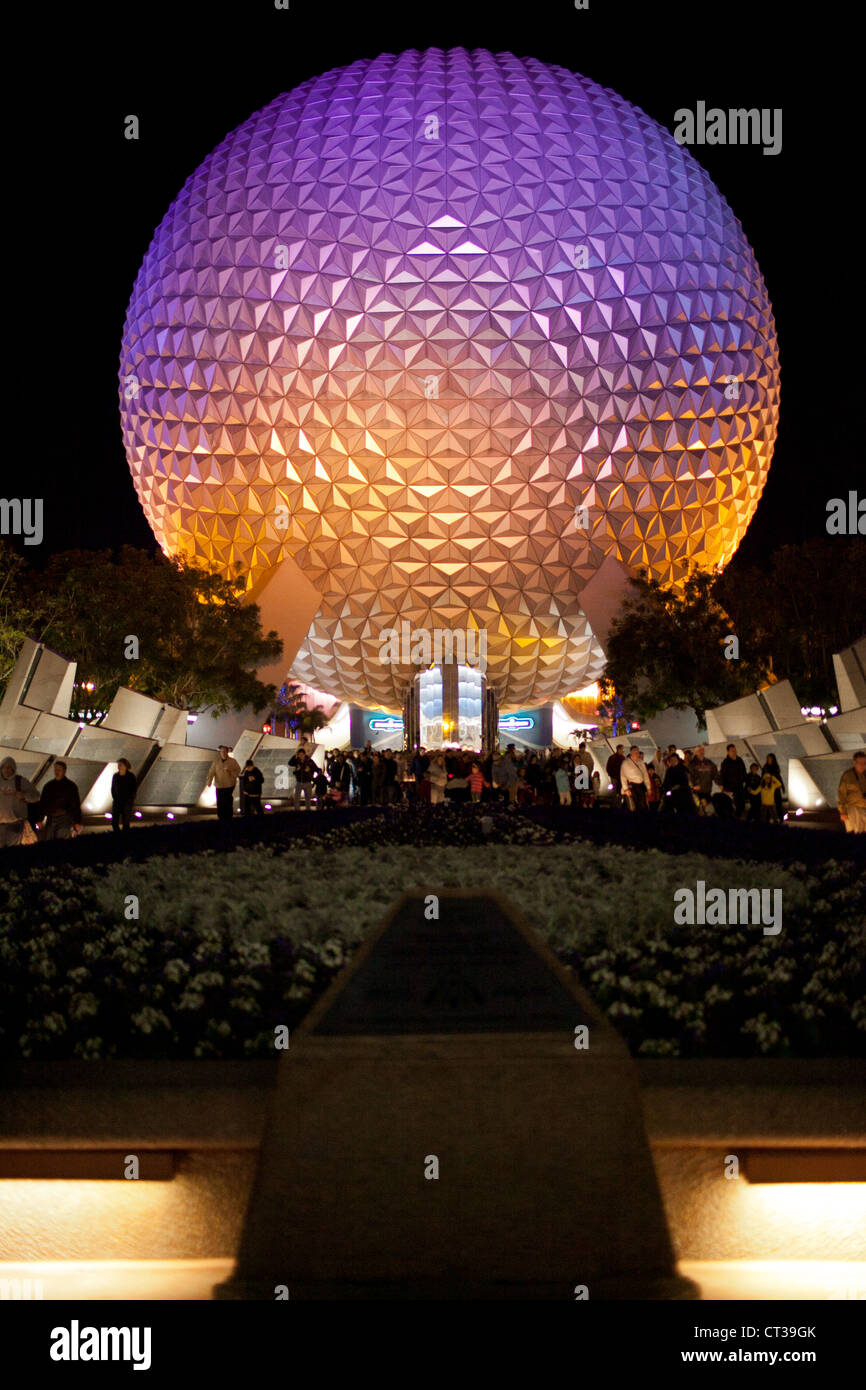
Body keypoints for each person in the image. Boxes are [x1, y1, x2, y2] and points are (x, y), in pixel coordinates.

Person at [0, 756, 41, 847]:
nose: (6, 770)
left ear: (13, 769)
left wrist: (24, 796)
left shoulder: (20, 781)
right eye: (4, 767)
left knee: (11, 852)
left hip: (15, 824)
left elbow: (36, 796)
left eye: (9, 768)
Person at [39, 760, 83, 840]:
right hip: (51, 818)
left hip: (64, 818)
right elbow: (43, 803)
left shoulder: (70, 786)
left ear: (64, 771)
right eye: (55, 769)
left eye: (59, 770)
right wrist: (40, 819)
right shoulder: (48, 786)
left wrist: (77, 821)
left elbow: (75, 804)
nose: (57, 772)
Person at [207, 746, 241, 821]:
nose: (223, 753)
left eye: (225, 751)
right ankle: (221, 816)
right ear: (220, 752)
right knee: (220, 801)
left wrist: (231, 772)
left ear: (227, 752)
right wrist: (209, 781)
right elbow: (211, 772)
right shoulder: (216, 762)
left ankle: (229, 816)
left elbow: (238, 770)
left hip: (229, 785)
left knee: (228, 801)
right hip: (219, 785)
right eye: (222, 751)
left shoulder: (232, 761)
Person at [837, 749, 866, 833]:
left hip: (864, 809)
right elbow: (841, 794)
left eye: (864, 763)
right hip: (852, 809)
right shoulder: (847, 775)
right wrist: (843, 812)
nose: (862, 765)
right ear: (854, 763)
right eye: (860, 763)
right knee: (854, 833)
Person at [718, 744, 747, 817]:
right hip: (730, 787)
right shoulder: (726, 762)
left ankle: (738, 817)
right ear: (728, 752)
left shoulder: (739, 760)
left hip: (739, 787)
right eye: (732, 751)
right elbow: (722, 774)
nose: (734, 752)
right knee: (733, 805)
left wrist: (745, 781)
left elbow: (744, 771)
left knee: (741, 805)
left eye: (735, 750)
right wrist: (721, 785)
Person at [110, 758, 137, 832]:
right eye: (118, 765)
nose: (119, 766)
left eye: (121, 765)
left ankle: (125, 836)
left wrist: (130, 799)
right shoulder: (115, 776)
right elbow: (113, 788)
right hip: (117, 801)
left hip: (127, 802)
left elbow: (133, 789)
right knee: (114, 822)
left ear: (125, 766)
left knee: (126, 822)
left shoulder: (131, 776)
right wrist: (115, 797)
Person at [620, 745, 651, 811]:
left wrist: (648, 787)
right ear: (631, 753)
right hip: (632, 787)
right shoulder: (625, 763)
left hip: (641, 786)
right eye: (635, 752)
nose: (637, 754)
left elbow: (645, 775)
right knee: (634, 806)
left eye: (638, 752)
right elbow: (623, 777)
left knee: (643, 805)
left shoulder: (641, 762)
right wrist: (626, 789)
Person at [761, 754, 785, 821]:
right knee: (768, 804)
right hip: (768, 788)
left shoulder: (776, 767)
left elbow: (779, 777)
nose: (769, 760)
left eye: (770, 759)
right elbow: (763, 777)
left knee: (778, 803)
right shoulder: (765, 767)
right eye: (768, 759)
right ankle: (768, 818)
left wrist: (782, 786)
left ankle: (779, 818)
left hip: (775, 787)